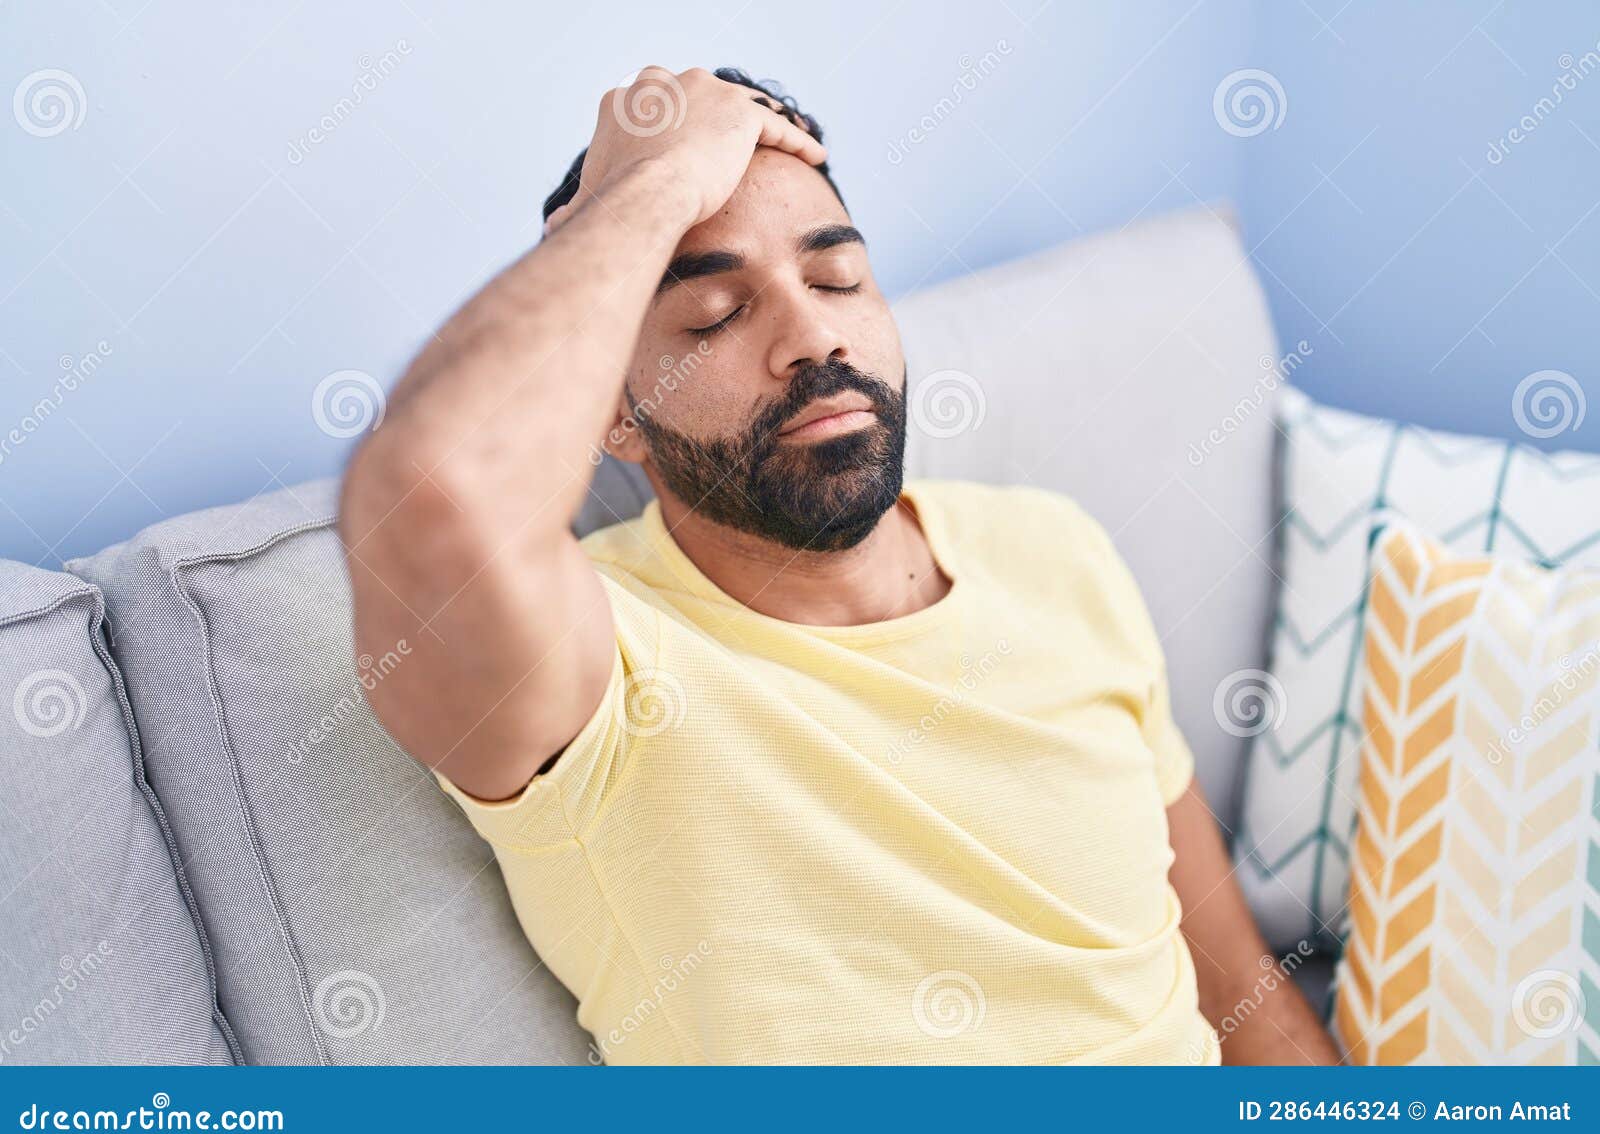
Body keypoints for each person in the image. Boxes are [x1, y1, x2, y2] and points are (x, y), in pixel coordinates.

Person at [338, 66, 1339, 1065]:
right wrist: (652, 182)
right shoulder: (599, 672)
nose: (813, 335)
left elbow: (1235, 986)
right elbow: (439, 503)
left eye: (835, 278)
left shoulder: (1052, 548)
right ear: (613, 409)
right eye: (713, 314)